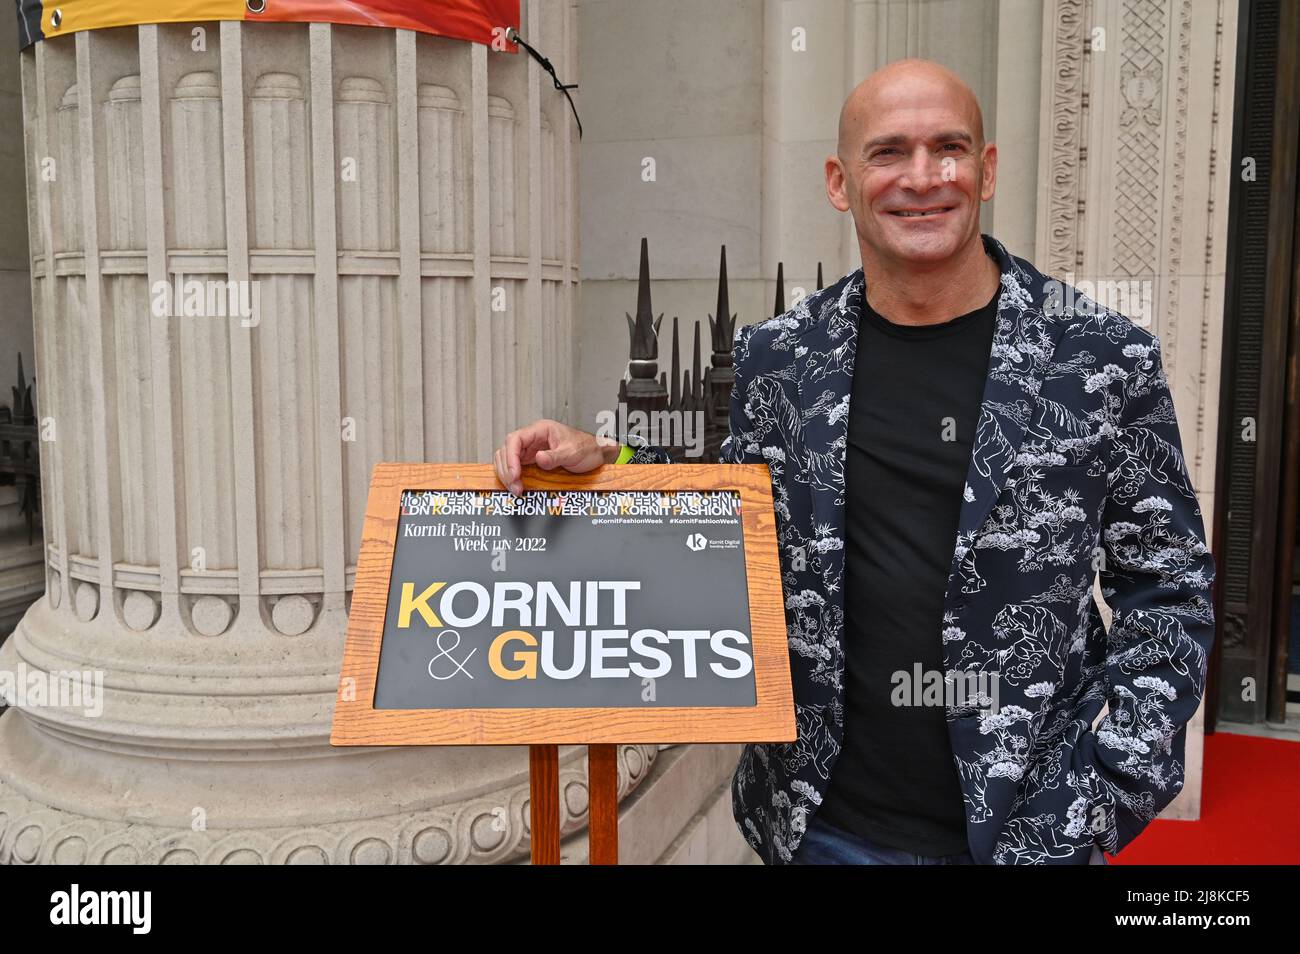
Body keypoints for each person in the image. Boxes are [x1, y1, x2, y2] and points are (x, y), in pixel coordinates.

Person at [492, 59, 1215, 865]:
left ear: (988, 169)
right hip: (822, 827)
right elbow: (736, 520)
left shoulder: (1102, 358)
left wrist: (1110, 784)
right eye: (888, 152)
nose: (923, 177)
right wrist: (610, 461)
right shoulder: (781, 357)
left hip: (1027, 832)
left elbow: (1168, 585)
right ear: (840, 182)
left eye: (949, 147)